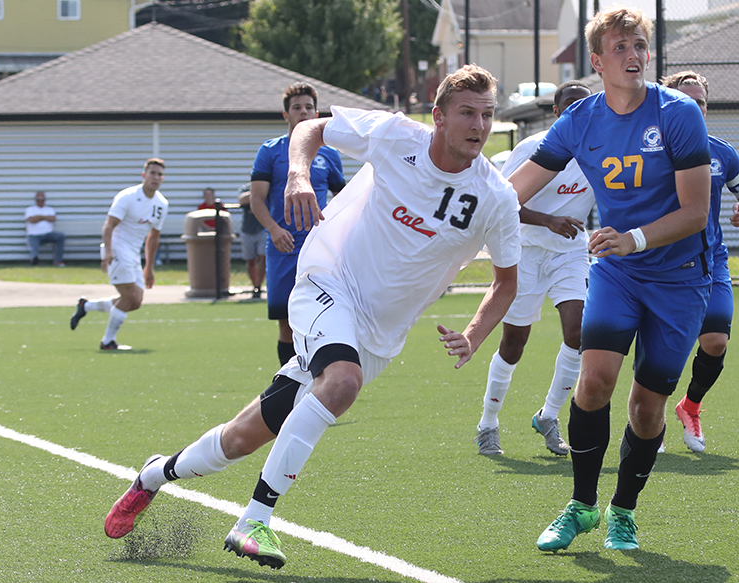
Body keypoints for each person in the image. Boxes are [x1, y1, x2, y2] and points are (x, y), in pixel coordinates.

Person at [103, 65, 521, 570]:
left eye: (487, 115)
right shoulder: (395, 135)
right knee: (343, 382)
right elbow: (311, 128)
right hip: (328, 278)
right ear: (438, 116)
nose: (479, 125)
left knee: (240, 439)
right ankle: (255, 519)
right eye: (467, 113)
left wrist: (474, 335)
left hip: (379, 334)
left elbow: (506, 281)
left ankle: (154, 474)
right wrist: (298, 174)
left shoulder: (495, 196)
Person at [506, 6, 713, 551]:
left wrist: (633, 238)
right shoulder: (579, 120)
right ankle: (581, 506)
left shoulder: (679, 114)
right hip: (618, 273)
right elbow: (515, 189)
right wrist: (451, 212)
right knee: (594, 381)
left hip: (679, 279)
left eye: (639, 45)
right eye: (620, 47)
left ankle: (623, 509)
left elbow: (696, 212)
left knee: (646, 409)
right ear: (597, 62)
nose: (633, 55)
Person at [475, 80, 594, 457]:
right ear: (556, 112)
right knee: (514, 344)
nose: (578, 112)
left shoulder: (600, 150)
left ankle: (549, 416)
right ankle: (488, 423)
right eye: (570, 106)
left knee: (579, 333)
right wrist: (548, 220)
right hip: (525, 251)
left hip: (570, 253)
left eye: (585, 106)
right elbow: (503, 201)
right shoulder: (532, 148)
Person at [659, 71, 739, 453]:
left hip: (709, 259)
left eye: (700, 101)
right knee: (663, 349)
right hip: (660, 263)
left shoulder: (721, 151)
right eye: (685, 100)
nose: (694, 107)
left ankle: (690, 406)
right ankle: (650, 421)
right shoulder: (649, 150)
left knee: (716, 341)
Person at [250, 82, 346, 365]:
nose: (303, 112)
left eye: (308, 107)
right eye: (296, 108)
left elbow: (342, 198)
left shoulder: (329, 154)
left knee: (322, 317)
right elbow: (256, 200)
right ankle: (290, 381)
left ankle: (320, 377)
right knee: (286, 323)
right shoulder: (270, 151)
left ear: (317, 114)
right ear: (286, 115)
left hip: (319, 249)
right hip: (283, 247)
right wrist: (274, 229)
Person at [69, 158, 168, 350]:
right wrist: (108, 251)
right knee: (129, 296)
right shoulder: (128, 196)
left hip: (133, 254)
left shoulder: (162, 204)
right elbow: (109, 225)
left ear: (163, 178)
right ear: (144, 175)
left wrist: (149, 267)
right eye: (152, 173)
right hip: (117, 249)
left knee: (135, 302)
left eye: (159, 174)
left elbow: (153, 237)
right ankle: (107, 342)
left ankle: (86, 306)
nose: (155, 178)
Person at [237, 182, 267, 299]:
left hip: (262, 228)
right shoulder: (245, 188)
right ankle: (254, 285)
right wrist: (257, 193)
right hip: (247, 230)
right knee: (251, 260)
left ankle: (258, 286)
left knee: (263, 258)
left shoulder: (266, 185)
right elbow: (242, 199)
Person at [24, 191, 66, 266]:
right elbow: (31, 220)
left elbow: (53, 218)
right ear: (35, 200)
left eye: (42, 199)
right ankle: (34, 260)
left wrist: (39, 217)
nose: (40, 201)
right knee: (33, 246)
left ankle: (58, 260)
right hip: (34, 235)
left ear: (45, 200)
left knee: (61, 236)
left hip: (48, 234)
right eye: (38, 199)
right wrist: (45, 217)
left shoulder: (49, 209)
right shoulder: (30, 209)